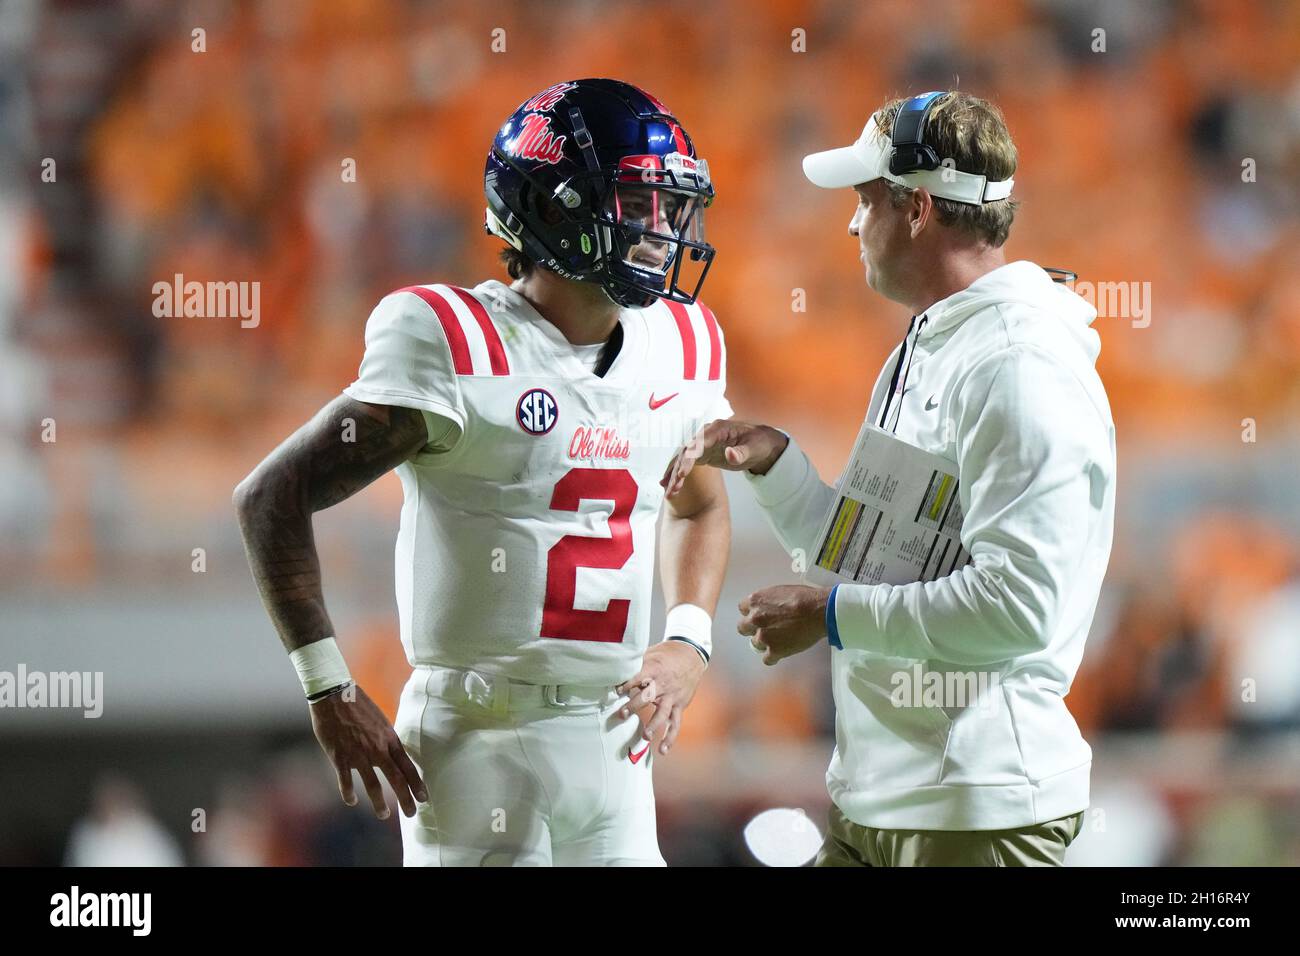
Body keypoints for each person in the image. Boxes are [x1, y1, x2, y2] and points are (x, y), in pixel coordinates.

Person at [235, 79, 733, 866]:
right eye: (637, 203)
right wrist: (328, 686)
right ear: (554, 207)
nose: (664, 229)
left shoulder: (685, 343)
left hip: (613, 738)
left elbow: (698, 504)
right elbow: (272, 495)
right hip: (478, 739)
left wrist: (688, 640)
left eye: (671, 207)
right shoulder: (455, 340)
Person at [663, 91, 1116, 866]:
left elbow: (1020, 606)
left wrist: (834, 617)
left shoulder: (1018, 364)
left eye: (864, 198)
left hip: (977, 806)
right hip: (891, 794)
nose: (849, 222)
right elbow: (879, 558)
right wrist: (778, 466)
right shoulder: (938, 339)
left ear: (915, 210)